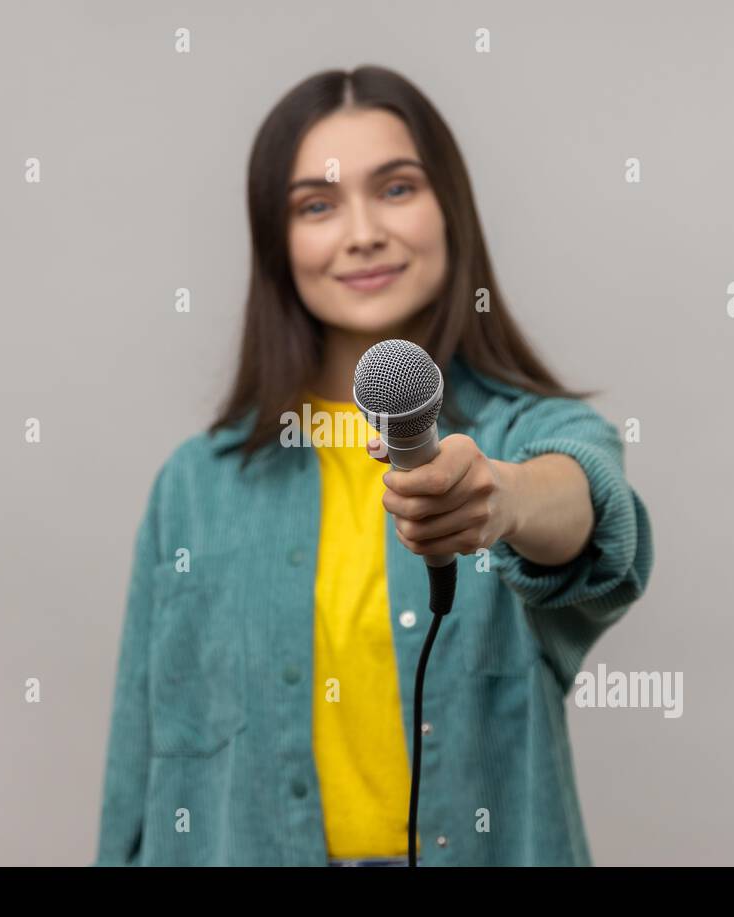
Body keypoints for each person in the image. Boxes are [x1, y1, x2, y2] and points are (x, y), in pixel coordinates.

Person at [95, 65, 654, 867]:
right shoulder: (194, 488)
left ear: (449, 211)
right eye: (317, 205)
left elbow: (587, 507)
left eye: (396, 189)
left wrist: (504, 496)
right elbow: (137, 770)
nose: (362, 232)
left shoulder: (529, 432)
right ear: (277, 242)